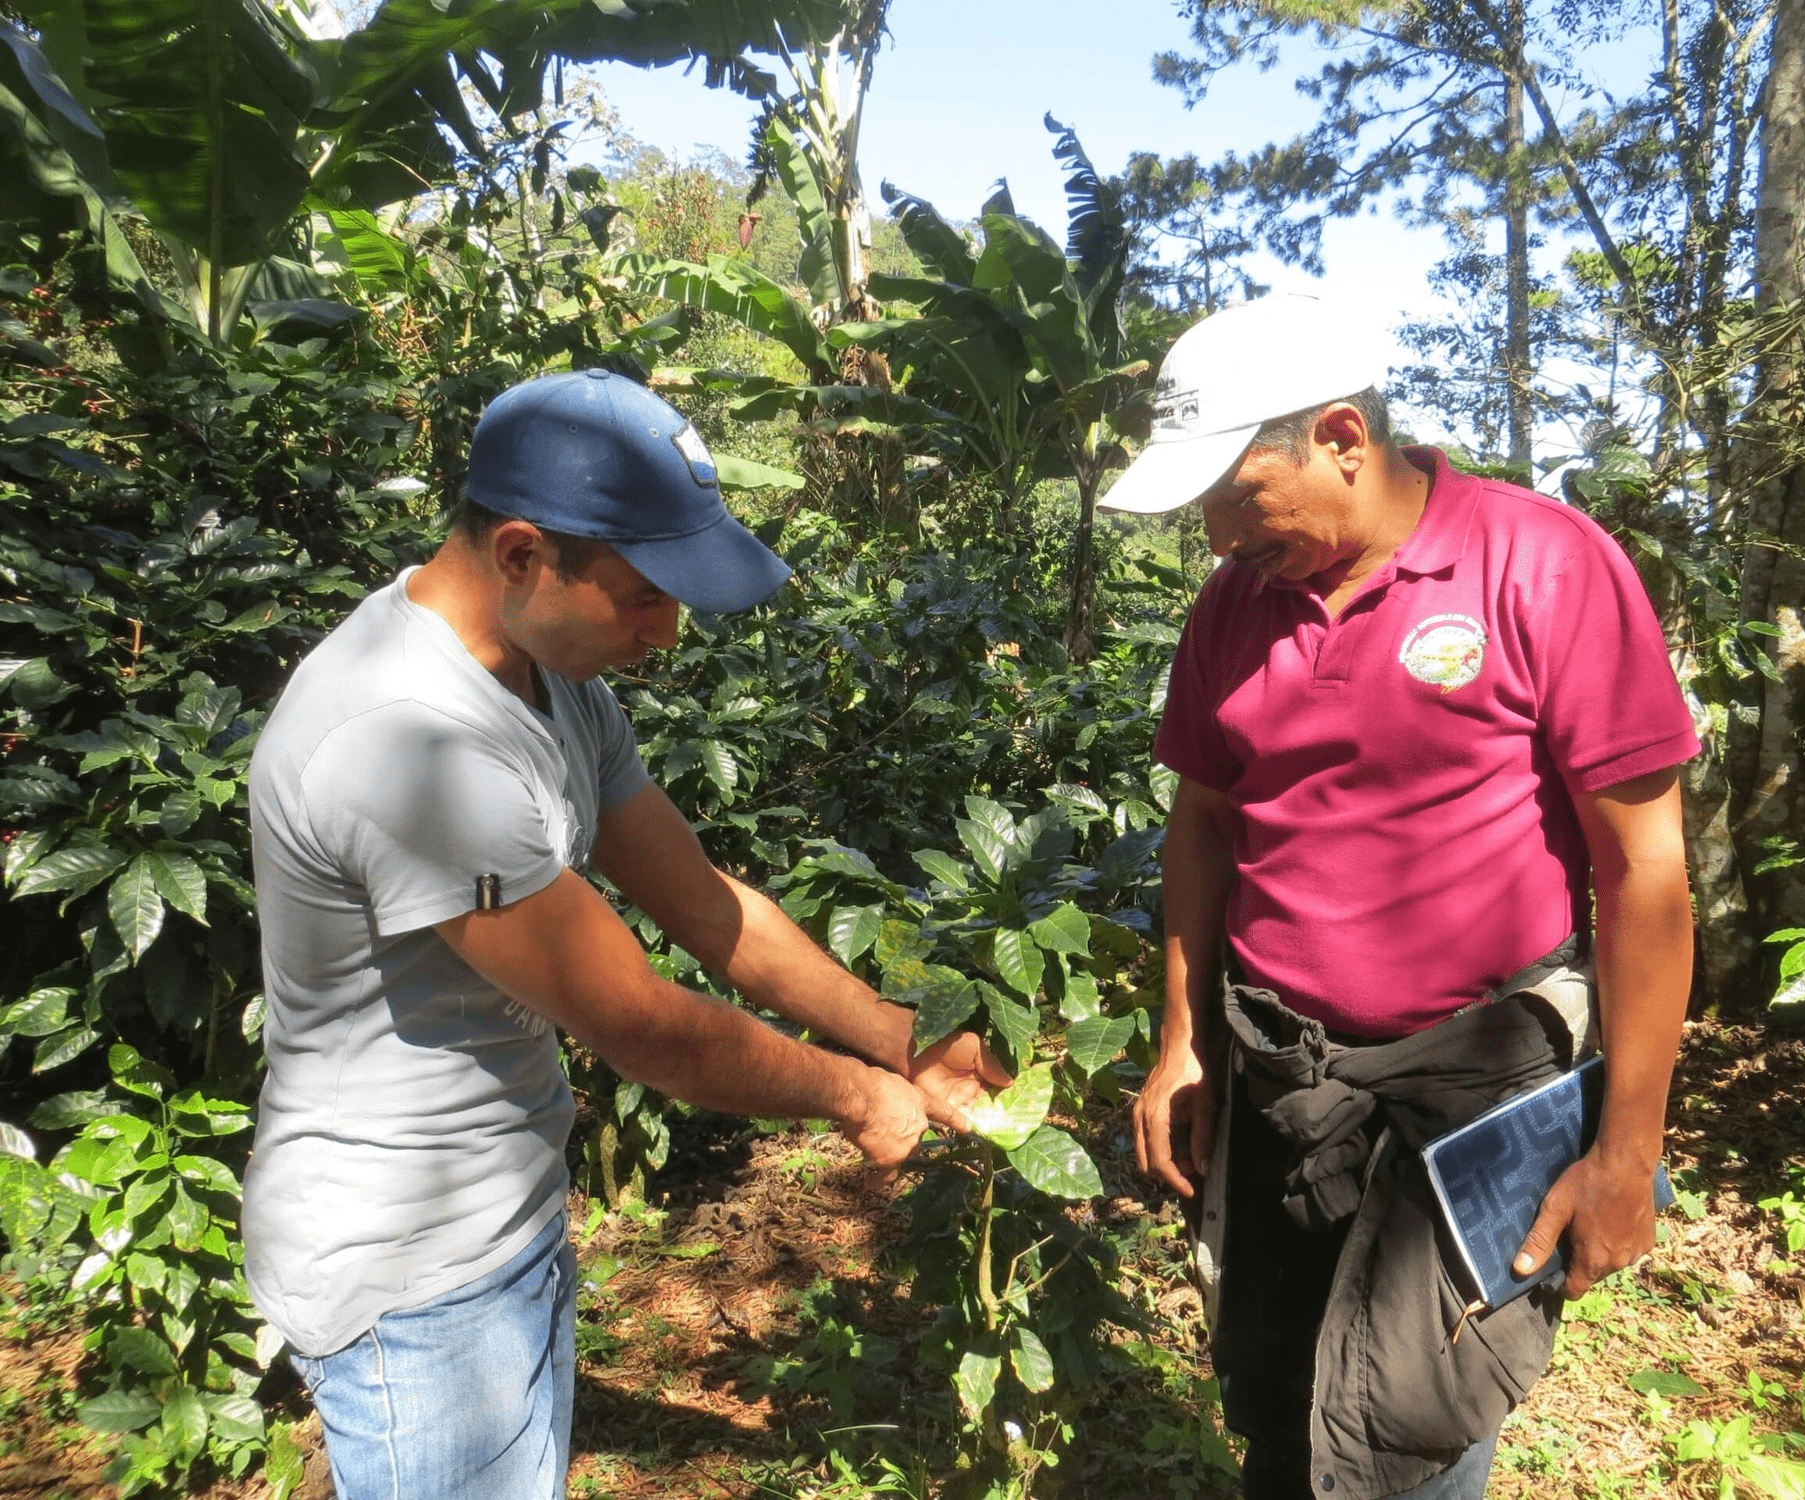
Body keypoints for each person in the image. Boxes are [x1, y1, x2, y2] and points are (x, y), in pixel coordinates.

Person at [242, 367, 1008, 1499]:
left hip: (500, 1213)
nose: (669, 630)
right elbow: (644, 1027)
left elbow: (704, 905)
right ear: (519, 554)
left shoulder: (554, 682)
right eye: (646, 593)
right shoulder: (406, 744)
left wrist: (899, 1039)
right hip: (406, 1261)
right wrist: (858, 1097)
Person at [1106, 295, 1698, 1500]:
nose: (1218, 537)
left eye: (1237, 497)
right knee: (1274, 1393)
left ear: (1339, 435)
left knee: (1414, 1431)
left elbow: (1642, 870)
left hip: (1467, 1095)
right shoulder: (1236, 601)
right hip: (1281, 1073)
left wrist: (1626, 1152)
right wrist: (1183, 1039)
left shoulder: (1540, 563)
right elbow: (1205, 825)